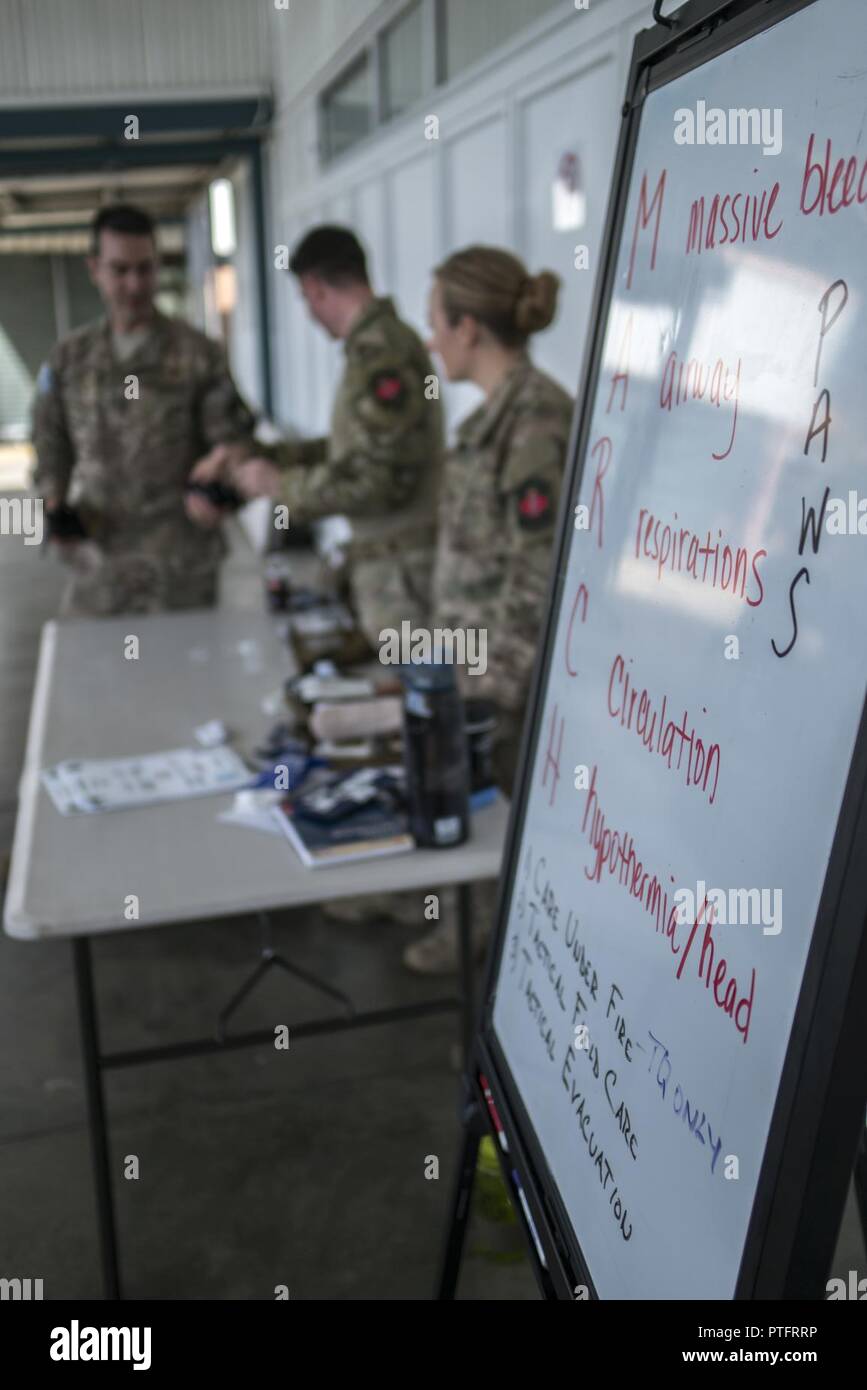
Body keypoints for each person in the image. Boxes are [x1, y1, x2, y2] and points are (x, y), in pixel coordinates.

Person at [403, 245, 574, 974]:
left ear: (469, 328)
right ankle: (471, 932)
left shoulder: (534, 421)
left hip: (505, 679)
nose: (432, 340)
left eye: (436, 323)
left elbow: (536, 575)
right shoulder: (493, 417)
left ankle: (495, 967)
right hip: (469, 665)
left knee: (507, 831)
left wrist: (493, 692)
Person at [194, 224, 443, 644]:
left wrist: (279, 485)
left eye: (305, 300)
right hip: (394, 571)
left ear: (314, 288)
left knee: (418, 696)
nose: (309, 313)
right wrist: (258, 455)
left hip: (403, 579)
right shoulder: (382, 345)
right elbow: (354, 450)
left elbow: (378, 480)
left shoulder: (379, 354)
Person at [32, 204, 256, 617]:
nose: (135, 285)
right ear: (94, 268)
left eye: (145, 269)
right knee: (100, 673)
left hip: (180, 566)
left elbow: (232, 439)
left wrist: (223, 473)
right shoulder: (69, 358)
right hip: (97, 560)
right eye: (120, 270)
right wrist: (53, 501)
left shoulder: (197, 354)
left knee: (183, 676)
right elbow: (51, 441)